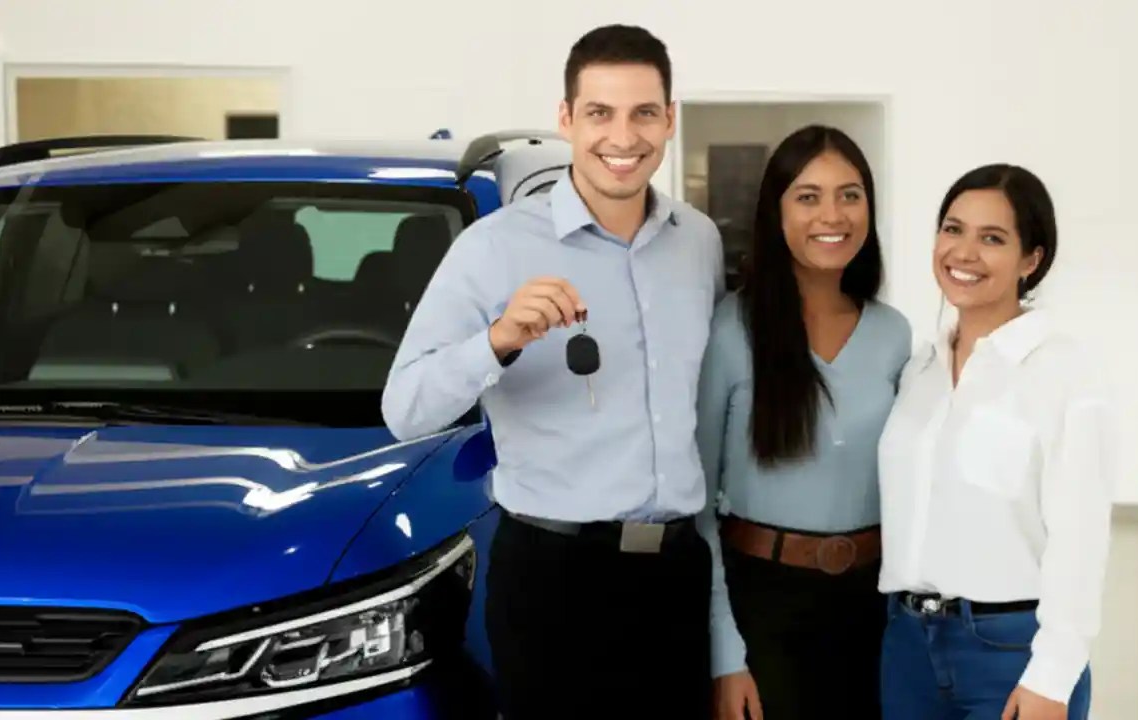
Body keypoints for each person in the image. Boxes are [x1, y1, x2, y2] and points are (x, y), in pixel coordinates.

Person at [381, 24, 724, 720]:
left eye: (643, 113)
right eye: (599, 113)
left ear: (669, 120)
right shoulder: (495, 248)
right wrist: (498, 340)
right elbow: (405, 409)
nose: (622, 137)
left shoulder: (699, 242)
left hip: (677, 574)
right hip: (557, 579)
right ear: (566, 118)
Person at [876, 164, 1115, 720]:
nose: (964, 252)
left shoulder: (1064, 371)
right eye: (953, 229)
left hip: (1010, 652)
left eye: (992, 239)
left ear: (1031, 260)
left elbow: (1081, 541)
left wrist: (1052, 678)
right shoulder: (920, 370)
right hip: (907, 646)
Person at [694, 124, 912, 720]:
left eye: (850, 194)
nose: (832, 215)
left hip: (872, 608)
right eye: (808, 196)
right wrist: (724, 654)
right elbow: (697, 508)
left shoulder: (895, 335)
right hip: (761, 607)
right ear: (777, 210)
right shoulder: (732, 330)